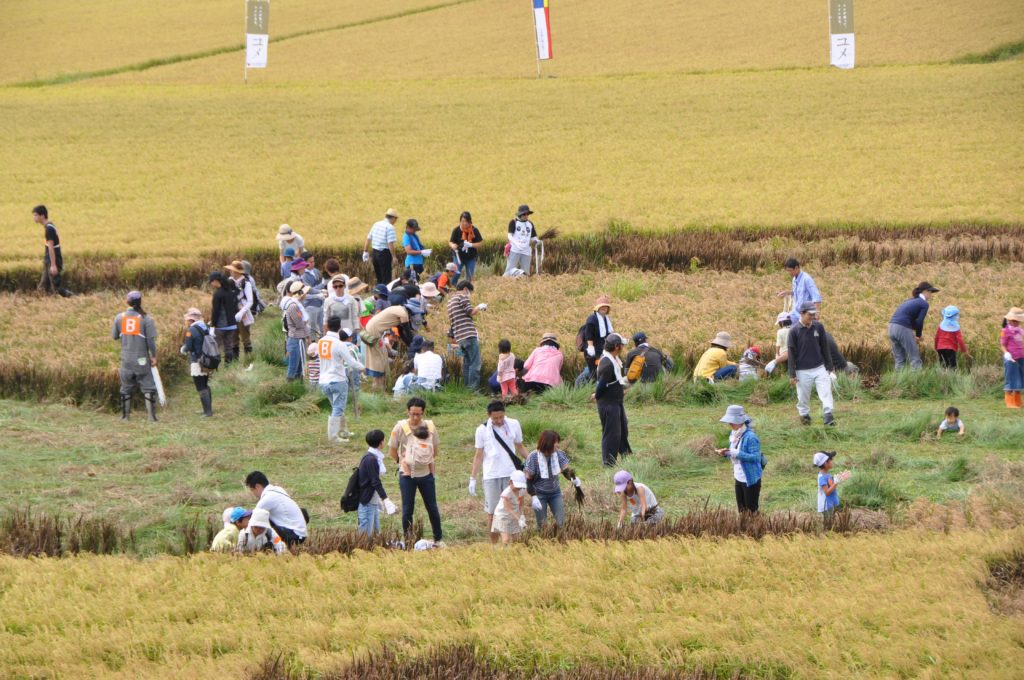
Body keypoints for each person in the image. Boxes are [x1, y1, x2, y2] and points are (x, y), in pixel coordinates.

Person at [469, 401, 527, 544]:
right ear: (489, 416)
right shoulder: (481, 430)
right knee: (492, 514)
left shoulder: (513, 424)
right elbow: (479, 454)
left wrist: (532, 462)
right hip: (491, 475)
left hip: (511, 474)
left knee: (514, 510)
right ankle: (493, 546)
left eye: (501, 417)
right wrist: (473, 478)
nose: (499, 421)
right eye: (496, 418)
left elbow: (520, 447)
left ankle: (514, 545)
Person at [388, 398, 443, 545]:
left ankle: (438, 539)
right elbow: (392, 450)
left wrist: (422, 461)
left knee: (432, 507)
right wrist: (403, 464)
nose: (415, 417)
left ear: (423, 412)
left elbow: (435, 450)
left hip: (426, 475)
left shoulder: (430, 427)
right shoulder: (399, 427)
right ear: (408, 412)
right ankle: (408, 540)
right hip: (406, 476)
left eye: (418, 414)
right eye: (412, 414)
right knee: (407, 509)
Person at [311, 319, 365, 444]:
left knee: (337, 407)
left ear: (327, 326)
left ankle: (344, 430)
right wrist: (362, 367)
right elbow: (351, 362)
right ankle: (334, 437)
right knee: (338, 408)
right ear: (339, 327)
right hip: (337, 379)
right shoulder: (339, 344)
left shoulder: (321, 342)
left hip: (323, 380)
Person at [112, 291, 159, 422]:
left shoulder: (119, 317)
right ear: (140, 302)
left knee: (126, 387)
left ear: (127, 301)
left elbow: (114, 336)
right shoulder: (146, 319)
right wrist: (154, 356)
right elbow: (150, 341)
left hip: (126, 359)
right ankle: (151, 417)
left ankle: (125, 417)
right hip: (142, 359)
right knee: (148, 386)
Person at [788, 301, 836, 426]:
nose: (812, 317)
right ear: (802, 313)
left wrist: (830, 367)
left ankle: (828, 416)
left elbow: (824, 347)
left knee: (826, 392)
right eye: (810, 314)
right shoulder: (794, 331)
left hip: (820, 367)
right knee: (803, 397)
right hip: (802, 370)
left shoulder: (818, 327)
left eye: (814, 314)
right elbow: (791, 353)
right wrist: (792, 374)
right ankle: (804, 416)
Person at [523, 430, 582, 529]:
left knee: (561, 523)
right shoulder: (533, 457)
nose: (558, 445)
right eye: (556, 442)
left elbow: (565, 471)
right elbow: (528, 479)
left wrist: (573, 479)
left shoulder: (559, 454)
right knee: (542, 526)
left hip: (555, 493)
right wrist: (533, 496)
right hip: (539, 495)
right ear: (548, 443)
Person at [716, 405, 766, 513]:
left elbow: (755, 458)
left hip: (750, 478)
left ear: (740, 421)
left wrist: (735, 453)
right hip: (738, 477)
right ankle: (744, 529)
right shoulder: (734, 434)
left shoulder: (751, 437)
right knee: (742, 511)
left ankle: (757, 529)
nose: (729, 424)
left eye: (731, 421)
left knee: (751, 512)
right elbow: (735, 453)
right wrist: (727, 453)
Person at [592, 333, 632, 467]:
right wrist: (597, 396)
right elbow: (602, 384)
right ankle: (609, 463)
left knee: (622, 430)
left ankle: (627, 456)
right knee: (611, 434)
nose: (623, 347)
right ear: (616, 346)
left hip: (616, 403)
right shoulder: (607, 363)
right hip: (608, 405)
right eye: (621, 345)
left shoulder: (613, 359)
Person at [245, 471, 308, 546]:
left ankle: (273, 551)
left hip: (294, 535)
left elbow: (253, 520)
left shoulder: (267, 498)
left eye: (252, 490)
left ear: (257, 486)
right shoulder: (278, 490)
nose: (253, 494)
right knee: (264, 521)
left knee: (260, 527)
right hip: (300, 533)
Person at [888, 281, 940, 370]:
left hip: (891, 327)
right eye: (930, 292)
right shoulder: (924, 304)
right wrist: (918, 335)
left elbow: (908, 318)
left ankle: (897, 381)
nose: (931, 295)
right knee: (914, 357)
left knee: (899, 359)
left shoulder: (909, 301)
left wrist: (913, 331)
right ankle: (917, 381)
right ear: (925, 291)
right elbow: (919, 322)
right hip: (902, 328)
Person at [362, 303, 415, 390]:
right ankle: (377, 387)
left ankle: (379, 385)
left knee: (382, 355)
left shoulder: (397, 309)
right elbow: (407, 331)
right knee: (380, 359)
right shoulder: (403, 314)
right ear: (409, 314)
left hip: (370, 329)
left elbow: (401, 333)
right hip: (374, 333)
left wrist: (410, 345)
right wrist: (413, 345)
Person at [356, 430, 398, 536]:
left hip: (372, 501)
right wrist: (385, 499)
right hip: (367, 501)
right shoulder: (371, 460)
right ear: (381, 442)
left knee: (376, 533)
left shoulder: (373, 456)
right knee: (366, 536)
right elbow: (375, 481)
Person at [447, 281, 486, 390]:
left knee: (467, 363)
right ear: (465, 289)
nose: (469, 294)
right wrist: (480, 306)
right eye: (469, 291)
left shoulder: (450, 301)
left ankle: (467, 389)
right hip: (468, 334)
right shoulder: (462, 297)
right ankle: (473, 390)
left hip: (459, 337)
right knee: (475, 363)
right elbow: (471, 312)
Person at [180, 307, 214, 417]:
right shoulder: (205, 326)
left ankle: (207, 412)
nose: (186, 322)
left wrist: (183, 349)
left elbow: (188, 346)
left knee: (200, 386)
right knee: (205, 384)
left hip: (197, 361)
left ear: (191, 320)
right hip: (207, 359)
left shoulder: (191, 330)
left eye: (187, 319)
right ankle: (208, 409)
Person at [33, 205, 72, 297]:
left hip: (52, 260)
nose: (34, 218)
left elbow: (51, 247)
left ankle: (74, 298)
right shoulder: (49, 226)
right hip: (49, 260)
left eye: (35, 215)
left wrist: (53, 265)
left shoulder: (49, 229)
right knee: (42, 287)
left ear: (42, 216)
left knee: (56, 287)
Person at [281, 280, 311, 381]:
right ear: (300, 293)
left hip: (299, 338)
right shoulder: (293, 306)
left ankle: (299, 387)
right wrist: (306, 323)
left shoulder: (296, 305)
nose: (305, 295)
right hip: (294, 340)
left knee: (300, 366)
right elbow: (299, 324)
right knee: (293, 367)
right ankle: (291, 388)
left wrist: (307, 336)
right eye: (304, 293)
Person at [490, 470, 531, 543]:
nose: (518, 488)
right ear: (510, 482)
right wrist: (519, 519)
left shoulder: (521, 490)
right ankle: (503, 553)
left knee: (517, 539)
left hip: (515, 515)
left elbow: (521, 504)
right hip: (502, 516)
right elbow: (508, 509)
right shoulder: (506, 493)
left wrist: (522, 515)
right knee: (506, 539)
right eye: (517, 486)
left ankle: (514, 552)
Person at [224, 261, 255, 357]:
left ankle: (248, 359)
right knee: (233, 336)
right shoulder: (229, 281)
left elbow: (250, 301)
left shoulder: (246, 283)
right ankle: (235, 360)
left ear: (237, 272)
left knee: (245, 335)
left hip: (243, 311)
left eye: (232, 270)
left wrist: (241, 312)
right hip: (231, 311)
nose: (230, 272)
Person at [208, 271, 239, 365]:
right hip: (232, 324)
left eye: (211, 282)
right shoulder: (230, 291)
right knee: (228, 346)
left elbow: (215, 311)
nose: (211, 284)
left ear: (216, 281)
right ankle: (228, 366)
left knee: (215, 346)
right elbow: (235, 306)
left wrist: (213, 325)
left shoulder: (218, 294)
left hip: (221, 326)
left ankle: (214, 366)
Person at [778, 258, 822, 325]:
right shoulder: (794, 279)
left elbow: (816, 296)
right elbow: (797, 293)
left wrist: (817, 313)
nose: (789, 273)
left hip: (805, 313)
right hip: (796, 312)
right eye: (787, 271)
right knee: (784, 322)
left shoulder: (806, 279)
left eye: (790, 270)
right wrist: (787, 293)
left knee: (802, 333)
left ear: (796, 268)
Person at [582, 295, 615, 379]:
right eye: (602, 306)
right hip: (593, 351)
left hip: (602, 350)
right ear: (597, 308)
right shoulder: (592, 319)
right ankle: (581, 385)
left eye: (606, 306)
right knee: (594, 373)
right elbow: (588, 334)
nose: (604, 308)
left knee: (599, 371)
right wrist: (590, 347)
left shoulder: (606, 319)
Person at [363, 208, 400, 285]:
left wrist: (365, 251)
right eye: (396, 219)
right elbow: (390, 243)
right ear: (393, 218)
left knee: (379, 277)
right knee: (386, 278)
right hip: (384, 254)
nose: (395, 221)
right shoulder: (390, 227)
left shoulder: (376, 224)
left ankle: (379, 294)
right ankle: (385, 296)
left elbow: (368, 238)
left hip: (375, 253)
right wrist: (394, 257)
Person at [505, 204, 541, 276]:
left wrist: (537, 241)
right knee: (509, 271)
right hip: (515, 250)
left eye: (527, 214)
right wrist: (516, 243)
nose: (526, 216)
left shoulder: (530, 224)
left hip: (526, 251)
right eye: (524, 214)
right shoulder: (513, 222)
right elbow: (509, 236)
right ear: (520, 214)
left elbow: (533, 237)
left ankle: (523, 284)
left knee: (526, 273)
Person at [448, 211, 483, 282]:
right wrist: (453, 245)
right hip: (458, 257)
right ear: (460, 221)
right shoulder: (456, 230)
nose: (464, 223)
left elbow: (480, 243)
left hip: (470, 257)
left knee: (470, 276)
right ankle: (452, 289)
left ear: (470, 221)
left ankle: (467, 290)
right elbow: (450, 242)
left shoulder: (474, 230)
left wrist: (471, 245)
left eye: (466, 221)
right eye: (463, 221)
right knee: (455, 275)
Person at [814, 451, 850, 518]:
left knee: (831, 523)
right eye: (830, 460)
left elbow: (832, 487)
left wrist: (840, 479)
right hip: (826, 506)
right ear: (825, 463)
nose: (832, 462)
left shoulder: (828, 475)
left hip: (830, 504)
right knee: (828, 524)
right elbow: (827, 492)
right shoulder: (822, 477)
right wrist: (836, 482)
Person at [323, 275, 361, 339]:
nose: (338, 289)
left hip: (349, 333)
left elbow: (355, 317)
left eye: (340, 286)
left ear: (344, 286)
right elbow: (326, 318)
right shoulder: (328, 300)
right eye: (335, 287)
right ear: (333, 287)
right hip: (335, 334)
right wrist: (325, 334)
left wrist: (357, 332)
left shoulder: (351, 299)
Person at [1001, 307, 1024, 409]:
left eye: (1017, 321)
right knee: (1010, 379)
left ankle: (1018, 402)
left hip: (1021, 357)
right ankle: (1009, 402)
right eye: (1014, 321)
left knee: (1020, 379)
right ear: (1009, 320)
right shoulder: (1005, 331)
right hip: (1010, 358)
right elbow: (1002, 345)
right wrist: (1006, 353)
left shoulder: (1020, 331)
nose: (1016, 323)